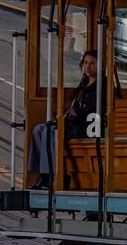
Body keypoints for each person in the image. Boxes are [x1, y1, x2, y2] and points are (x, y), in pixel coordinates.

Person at [27, 50, 101, 190]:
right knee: (38, 130)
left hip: (85, 127)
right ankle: (40, 174)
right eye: (85, 63)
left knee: (49, 133)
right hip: (73, 123)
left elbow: (87, 111)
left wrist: (67, 118)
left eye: (92, 63)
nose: (88, 66)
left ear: (100, 66)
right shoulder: (84, 84)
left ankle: (49, 177)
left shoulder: (101, 87)